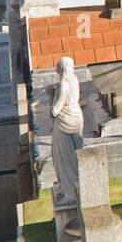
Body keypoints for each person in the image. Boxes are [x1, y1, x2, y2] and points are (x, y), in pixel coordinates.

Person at [50, 56, 84, 208]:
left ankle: (70, 193)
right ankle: (74, 187)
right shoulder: (74, 79)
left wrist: (50, 95)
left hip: (64, 123)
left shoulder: (64, 84)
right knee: (74, 156)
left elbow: (55, 111)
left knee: (64, 158)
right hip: (76, 117)